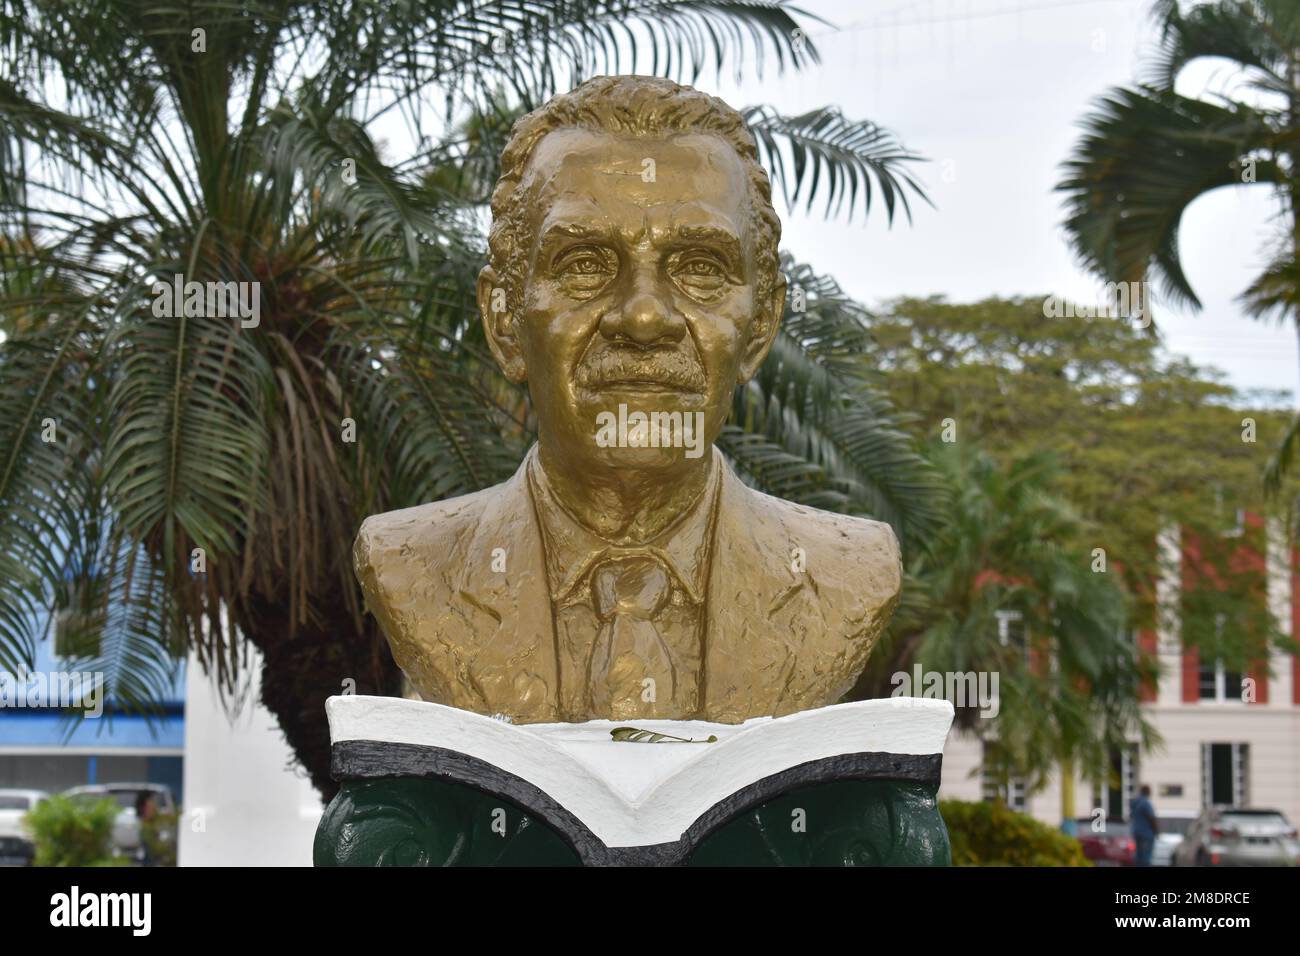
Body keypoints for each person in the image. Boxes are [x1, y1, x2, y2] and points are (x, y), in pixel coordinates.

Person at [354, 76, 903, 724]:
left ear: (760, 326)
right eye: (585, 263)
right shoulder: (409, 563)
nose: (644, 317)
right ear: (504, 320)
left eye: (700, 267)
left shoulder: (849, 570)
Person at [1131, 784, 1159, 866]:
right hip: (1147, 833)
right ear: (1147, 792)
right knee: (1146, 857)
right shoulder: (1146, 803)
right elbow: (1151, 818)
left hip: (1137, 832)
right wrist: (1156, 831)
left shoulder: (1135, 803)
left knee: (1138, 856)